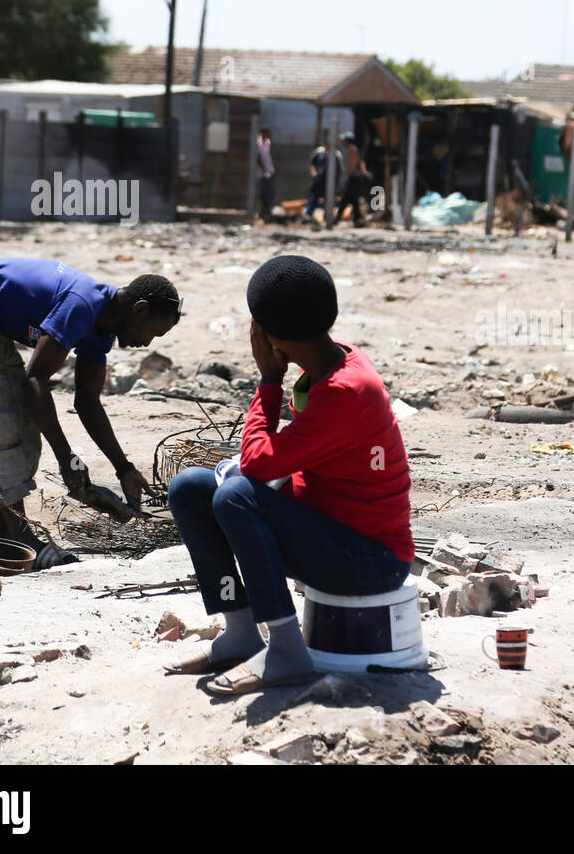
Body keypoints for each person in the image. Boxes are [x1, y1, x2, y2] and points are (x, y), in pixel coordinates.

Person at [165, 255, 413, 694]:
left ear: (269, 335)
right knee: (190, 488)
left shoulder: (344, 391)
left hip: (373, 560)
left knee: (234, 497)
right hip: (331, 533)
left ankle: (285, 649)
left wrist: (267, 380)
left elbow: (259, 463)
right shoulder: (336, 362)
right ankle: (240, 630)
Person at [0, 260, 181, 566]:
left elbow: (88, 401)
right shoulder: (83, 305)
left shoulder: (103, 328)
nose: (146, 343)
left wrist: (124, 468)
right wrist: (67, 458)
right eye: (153, 332)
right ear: (140, 309)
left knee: (23, 420)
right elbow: (36, 379)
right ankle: (15, 532)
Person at [335, 131, 374, 228]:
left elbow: (359, 162)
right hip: (353, 178)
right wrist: (365, 172)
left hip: (354, 179)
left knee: (346, 199)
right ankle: (356, 220)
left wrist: (364, 172)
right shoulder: (352, 149)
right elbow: (361, 162)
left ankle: (337, 219)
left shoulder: (352, 149)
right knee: (353, 200)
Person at [256, 127, 276, 219]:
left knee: (270, 192)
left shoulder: (267, 143)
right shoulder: (259, 143)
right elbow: (258, 158)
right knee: (265, 193)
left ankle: (266, 212)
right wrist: (265, 171)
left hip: (269, 171)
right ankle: (262, 212)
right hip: (263, 173)